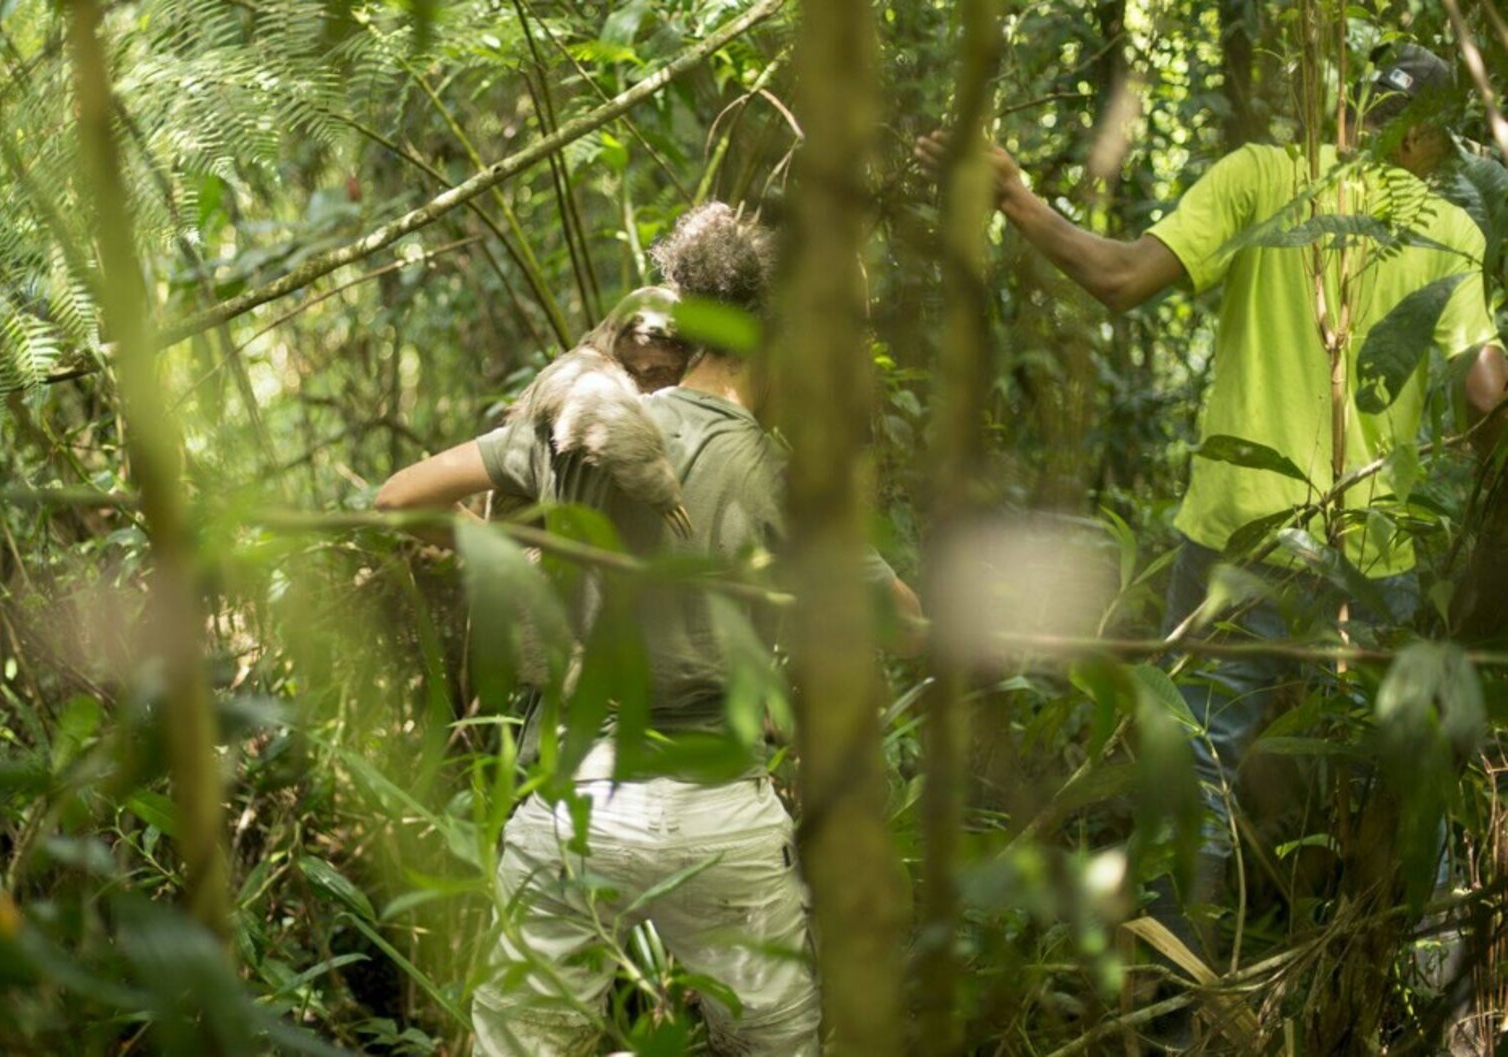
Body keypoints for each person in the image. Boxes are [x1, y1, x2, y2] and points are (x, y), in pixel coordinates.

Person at [921, 44, 1506, 920]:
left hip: (1239, 532)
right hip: (1372, 547)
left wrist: (1013, 197)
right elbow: (1486, 393)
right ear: (1430, 140)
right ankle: (1409, 968)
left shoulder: (1264, 176)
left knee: (1196, 765)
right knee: (1396, 770)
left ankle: (1178, 983)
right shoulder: (1450, 229)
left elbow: (1117, 277)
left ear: (1348, 115)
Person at [376, 203, 923, 1055]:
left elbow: (395, 500)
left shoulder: (579, 428)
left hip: (570, 812)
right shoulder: (786, 476)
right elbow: (908, 627)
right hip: (719, 821)